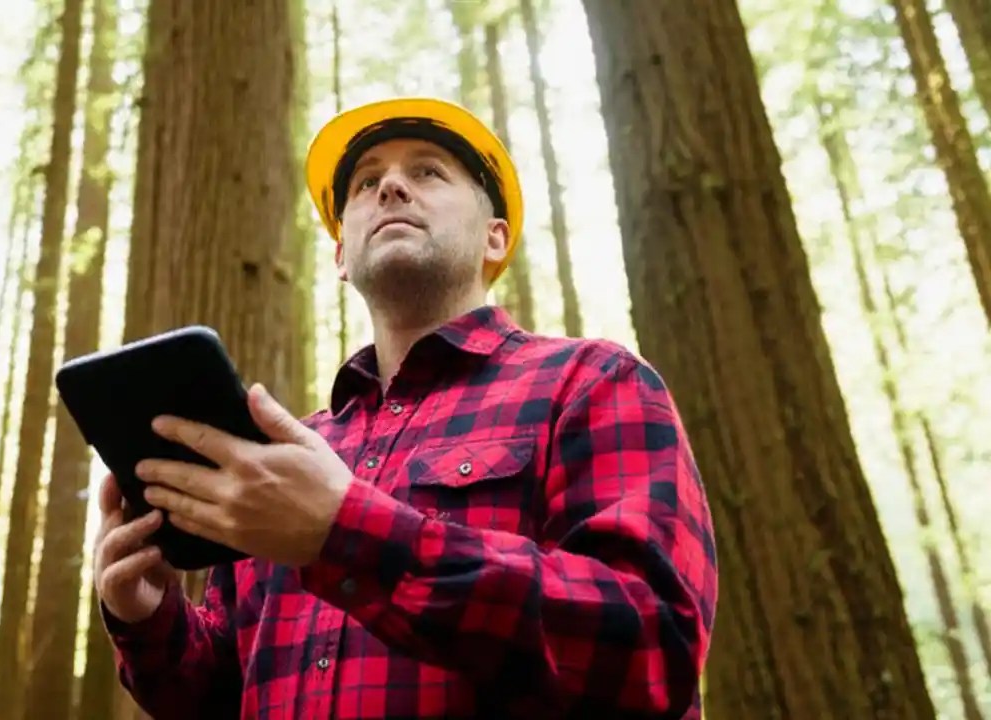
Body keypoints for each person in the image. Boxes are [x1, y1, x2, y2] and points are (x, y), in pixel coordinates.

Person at [91, 97, 718, 719]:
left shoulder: (590, 382)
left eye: (427, 172)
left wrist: (345, 533)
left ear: (494, 238)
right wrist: (148, 616)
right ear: (341, 255)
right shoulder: (281, 458)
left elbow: (651, 647)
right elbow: (224, 696)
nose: (391, 186)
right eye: (367, 183)